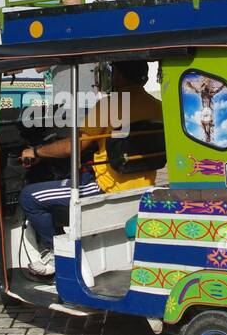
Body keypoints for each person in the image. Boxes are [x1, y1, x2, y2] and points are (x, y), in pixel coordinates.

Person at [18, 61, 162, 276]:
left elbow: (73, 146)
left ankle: (53, 254)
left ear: (119, 76)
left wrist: (36, 152)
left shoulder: (110, 106)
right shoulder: (156, 106)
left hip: (107, 187)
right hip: (142, 186)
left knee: (30, 196)